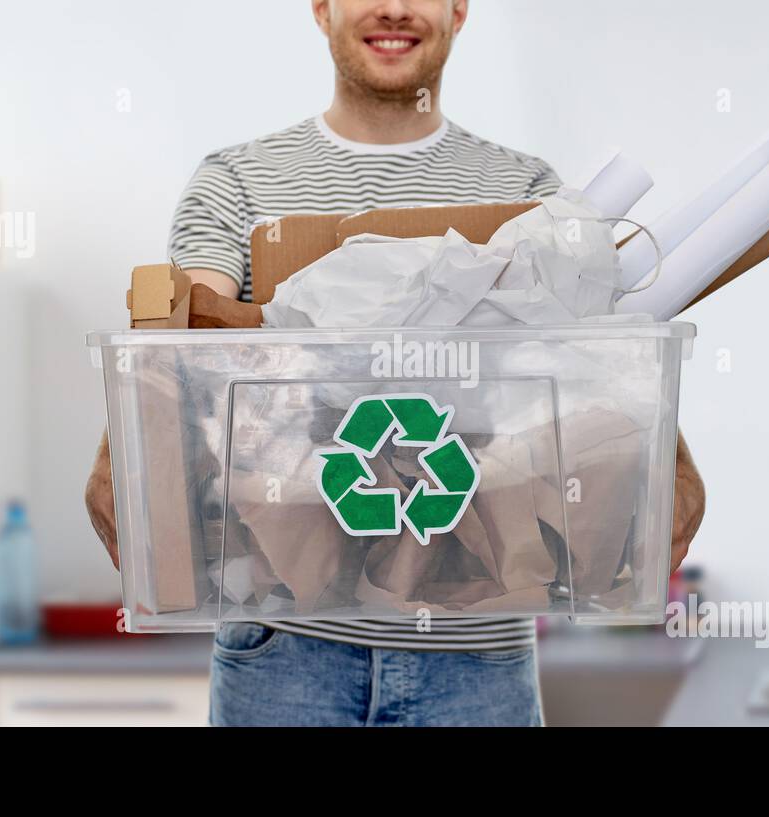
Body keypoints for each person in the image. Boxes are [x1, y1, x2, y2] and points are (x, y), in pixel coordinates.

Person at [85, 0, 706, 726]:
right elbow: (184, 348)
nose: (393, 9)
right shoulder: (237, 184)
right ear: (321, 7)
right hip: (284, 650)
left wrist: (661, 465)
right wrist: (126, 454)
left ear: (460, 9)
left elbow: (588, 372)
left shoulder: (530, 196)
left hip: (479, 649)